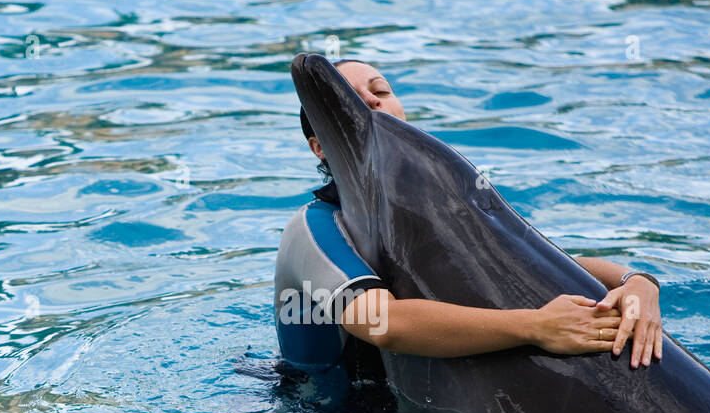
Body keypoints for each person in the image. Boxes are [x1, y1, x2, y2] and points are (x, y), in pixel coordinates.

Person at [273, 58, 663, 386]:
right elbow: (382, 322)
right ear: (319, 147)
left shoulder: (431, 196)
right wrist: (536, 326)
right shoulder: (314, 228)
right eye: (356, 100)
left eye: (381, 90)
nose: (373, 101)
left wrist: (637, 283)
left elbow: (512, 260)